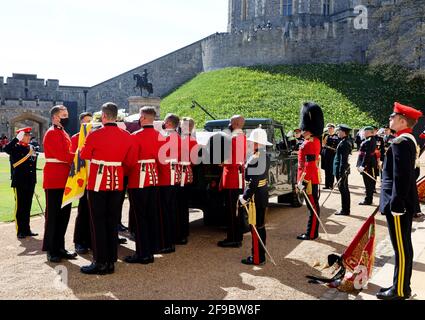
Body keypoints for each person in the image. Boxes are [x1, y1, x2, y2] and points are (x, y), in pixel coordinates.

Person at [376, 102, 422, 300]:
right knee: (403, 247)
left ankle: (401, 290)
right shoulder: (408, 140)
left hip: (397, 205)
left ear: (402, 121)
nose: (390, 119)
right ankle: (400, 284)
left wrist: (396, 204)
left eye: (393, 116)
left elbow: (401, 177)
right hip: (402, 202)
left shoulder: (401, 142)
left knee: (401, 249)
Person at [80, 102, 132, 275]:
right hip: (117, 182)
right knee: (112, 223)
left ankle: (100, 262)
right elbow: (129, 161)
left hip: (98, 183)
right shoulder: (126, 135)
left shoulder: (95, 134)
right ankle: (110, 261)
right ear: (116, 116)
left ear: (103, 116)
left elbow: (85, 155)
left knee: (98, 223)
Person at [125, 107, 161, 264]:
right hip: (153, 177)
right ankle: (151, 248)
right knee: (151, 215)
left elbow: (131, 160)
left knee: (139, 218)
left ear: (144, 118)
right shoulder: (160, 136)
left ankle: (142, 253)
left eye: (140, 116)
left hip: (138, 178)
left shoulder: (136, 136)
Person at [42, 105, 77, 263]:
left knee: (63, 216)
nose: (66, 117)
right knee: (53, 217)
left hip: (64, 179)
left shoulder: (63, 132)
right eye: (64, 114)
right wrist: (79, 156)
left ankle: (60, 247)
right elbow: (63, 155)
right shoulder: (52, 133)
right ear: (55, 117)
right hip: (54, 179)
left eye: (67, 114)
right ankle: (51, 249)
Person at [239, 128, 271, 265]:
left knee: (256, 227)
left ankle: (257, 257)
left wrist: (245, 196)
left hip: (255, 196)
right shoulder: (265, 155)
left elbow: (253, 182)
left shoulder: (256, 157)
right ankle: (260, 255)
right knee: (261, 226)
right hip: (262, 194)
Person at [4, 127, 38, 238]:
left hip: (30, 181)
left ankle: (27, 229)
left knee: (27, 206)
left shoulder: (31, 148)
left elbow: (32, 166)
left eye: (29, 135)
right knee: (20, 207)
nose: (29, 137)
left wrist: (33, 180)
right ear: (20, 137)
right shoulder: (15, 147)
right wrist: (15, 139)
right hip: (19, 181)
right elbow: (6, 149)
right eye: (26, 135)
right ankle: (20, 230)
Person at [217, 115, 247, 248]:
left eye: (230, 122)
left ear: (234, 123)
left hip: (232, 178)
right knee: (237, 210)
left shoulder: (233, 139)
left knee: (231, 210)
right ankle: (237, 236)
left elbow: (232, 161)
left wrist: (222, 163)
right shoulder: (242, 137)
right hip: (238, 178)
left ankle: (233, 238)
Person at [297, 102, 324, 241]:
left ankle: (312, 233)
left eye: (304, 129)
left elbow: (309, 165)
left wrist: (302, 181)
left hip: (308, 179)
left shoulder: (310, 143)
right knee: (312, 206)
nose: (302, 131)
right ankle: (312, 231)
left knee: (312, 207)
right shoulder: (312, 141)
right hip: (309, 178)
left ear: (309, 129)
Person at [157, 113, 182, 254]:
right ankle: (170, 239)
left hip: (165, 176)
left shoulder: (167, 136)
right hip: (173, 175)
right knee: (171, 209)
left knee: (165, 211)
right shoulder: (176, 136)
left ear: (169, 123)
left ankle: (166, 242)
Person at [71, 112, 93, 255]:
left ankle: (91, 240)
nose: (89, 125)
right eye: (86, 122)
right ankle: (79, 241)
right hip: (83, 179)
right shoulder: (75, 138)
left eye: (90, 122)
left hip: (96, 179)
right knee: (83, 211)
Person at [177, 117, 199, 245]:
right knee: (183, 206)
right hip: (188, 174)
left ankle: (179, 232)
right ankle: (184, 233)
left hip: (177, 174)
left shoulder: (178, 139)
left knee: (178, 205)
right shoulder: (193, 141)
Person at [333, 124, 353, 216]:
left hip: (342, 170)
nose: (337, 132)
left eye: (339, 131)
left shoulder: (345, 143)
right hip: (342, 169)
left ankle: (345, 210)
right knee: (344, 190)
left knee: (343, 190)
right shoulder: (344, 141)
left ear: (343, 132)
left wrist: (341, 173)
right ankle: (345, 209)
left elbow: (343, 160)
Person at [356, 126, 378, 205]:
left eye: (365, 131)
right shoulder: (368, 140)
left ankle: (368, 200)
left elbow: (367, 154)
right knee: (368, 183)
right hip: (367, 164)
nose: (363, 133)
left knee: (368, 183)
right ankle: (368, 198)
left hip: (368, 164)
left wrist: (363, 165)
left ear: (369, 132)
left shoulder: (369, 140)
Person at [321, 123, 340, 189]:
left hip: (333, 154)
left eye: (331, 128)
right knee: (326, 169)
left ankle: (331, 185)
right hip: (326, 154)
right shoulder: (325, 135)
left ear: (334, 129)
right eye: (329, 128)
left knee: (332, 170)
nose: (330, 129)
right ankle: (326, 185)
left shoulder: (337, 136)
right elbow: (323, 145)